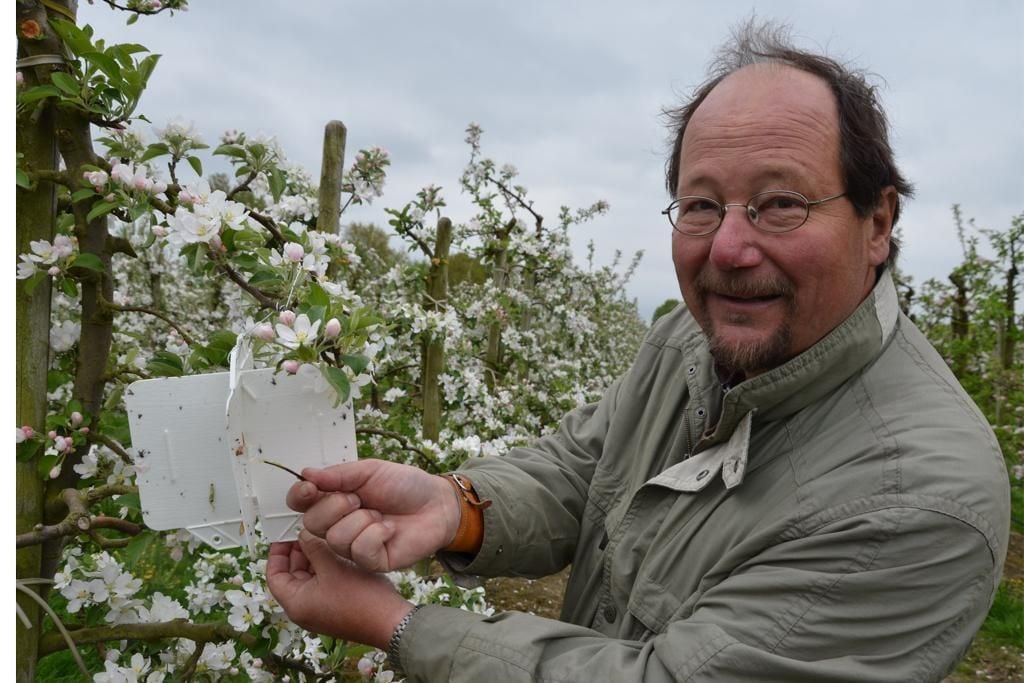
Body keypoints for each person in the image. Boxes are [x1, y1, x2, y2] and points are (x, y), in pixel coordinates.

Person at [267, 21, 1011, 682]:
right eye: (702, 203)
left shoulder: (916, 498)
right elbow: (584, 467)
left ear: (877, 221)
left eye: (780, 203)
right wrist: (453, 508)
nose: (729, 246)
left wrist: (397, 625)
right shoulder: (687, 341)